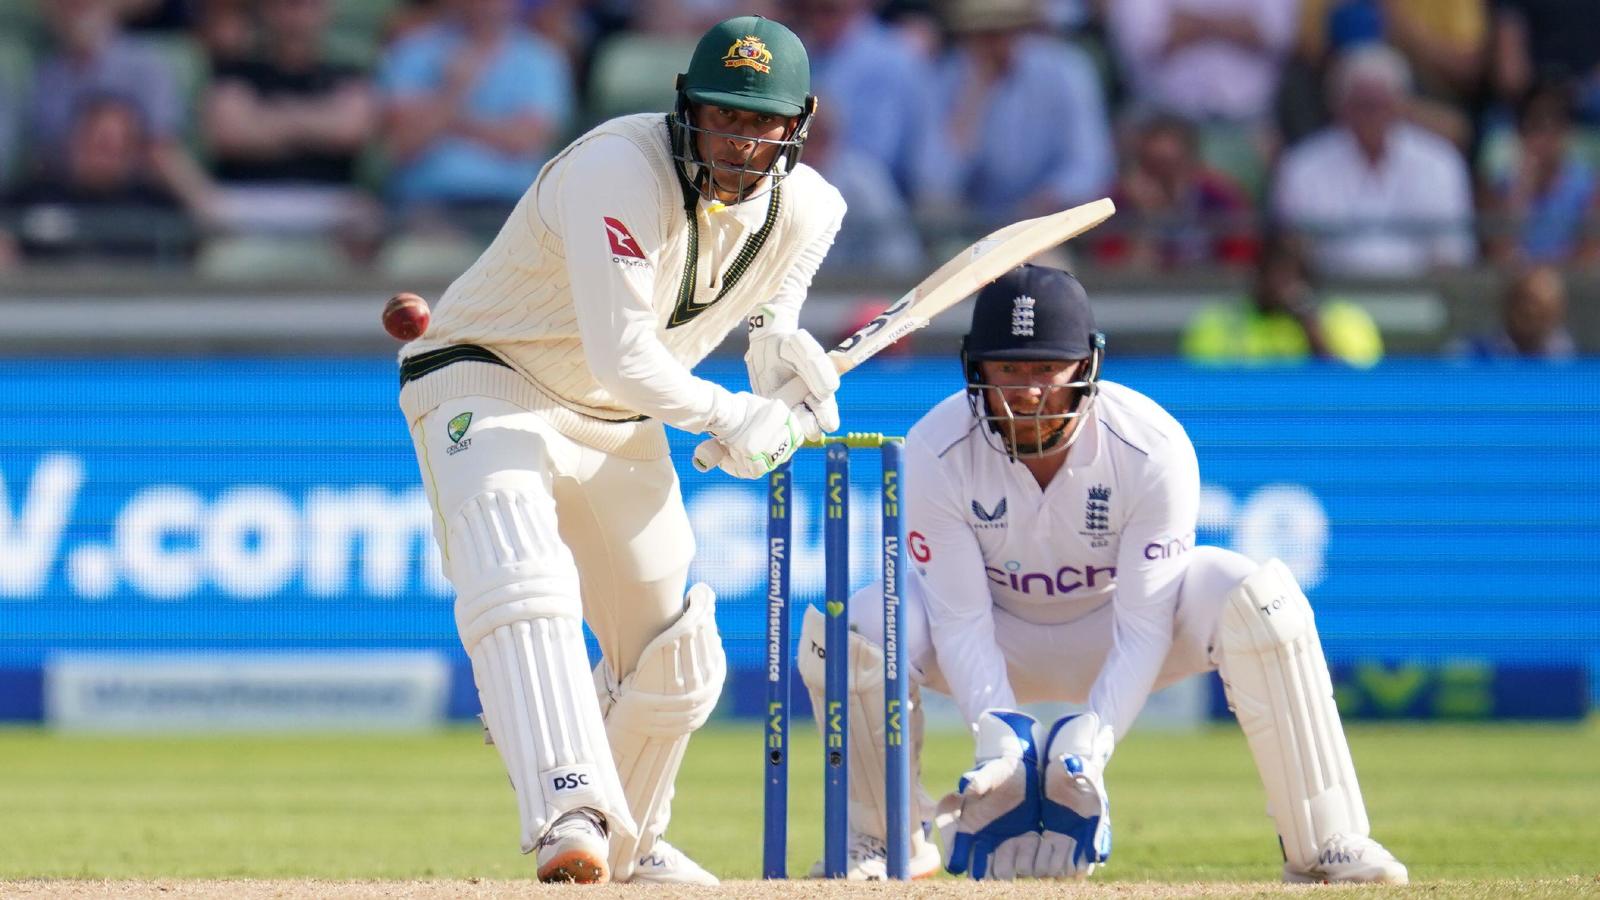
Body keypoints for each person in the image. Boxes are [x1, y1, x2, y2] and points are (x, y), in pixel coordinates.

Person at [395, 15, 845, 885]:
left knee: (679, 658)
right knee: (521, 573)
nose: (739, 140)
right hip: (488, 376)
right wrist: (729, 419)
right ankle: (568, 808)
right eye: (723, 116)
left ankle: (629, 846)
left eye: (760, 123)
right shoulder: (618, 168)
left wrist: (785, 377)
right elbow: (625, 354)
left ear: (798, 125)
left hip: (617, 419)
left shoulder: (814, 210)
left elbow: (768, 325)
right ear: (686, 108)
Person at [800, 263, 1409, 883]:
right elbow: (960, 621)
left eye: (1047, 369)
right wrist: (1002, 742)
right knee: (857, 629)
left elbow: (1145, 625)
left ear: (1087, 366)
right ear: (975, 368)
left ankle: (1325, 842)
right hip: (998, 633)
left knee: (1257, 599)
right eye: (1007, 368)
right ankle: (883, 840)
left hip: (1119, 627)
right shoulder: (935, 447)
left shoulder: (1151, 446)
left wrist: (1092, 742)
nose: (1027, 393)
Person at [1273, 43, 1474, 277]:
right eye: (1363, 105)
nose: (1372, 116)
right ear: (1340, 106)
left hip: (1420, 292)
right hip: (1328, 292)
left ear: (1401, 105)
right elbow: (1292, 254)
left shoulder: (1441, 163)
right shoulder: (1302, 166)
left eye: (1381, 105)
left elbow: (1453, 253)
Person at [1182, 233, 1383, 366]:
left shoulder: (1347, 321)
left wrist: (1310, 328)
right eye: (1270, 271)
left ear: (1308, 278)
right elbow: (1202, 391)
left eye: (1289, 274)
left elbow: (1357, 393)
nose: (1278, 284)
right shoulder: (1216, 323)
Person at [1452, 265, 1577, 360]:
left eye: (1542, 307)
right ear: (1508, 302)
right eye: (1524, 300)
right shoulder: (1470, 354)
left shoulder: (1568, 360)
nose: (1530, 311)